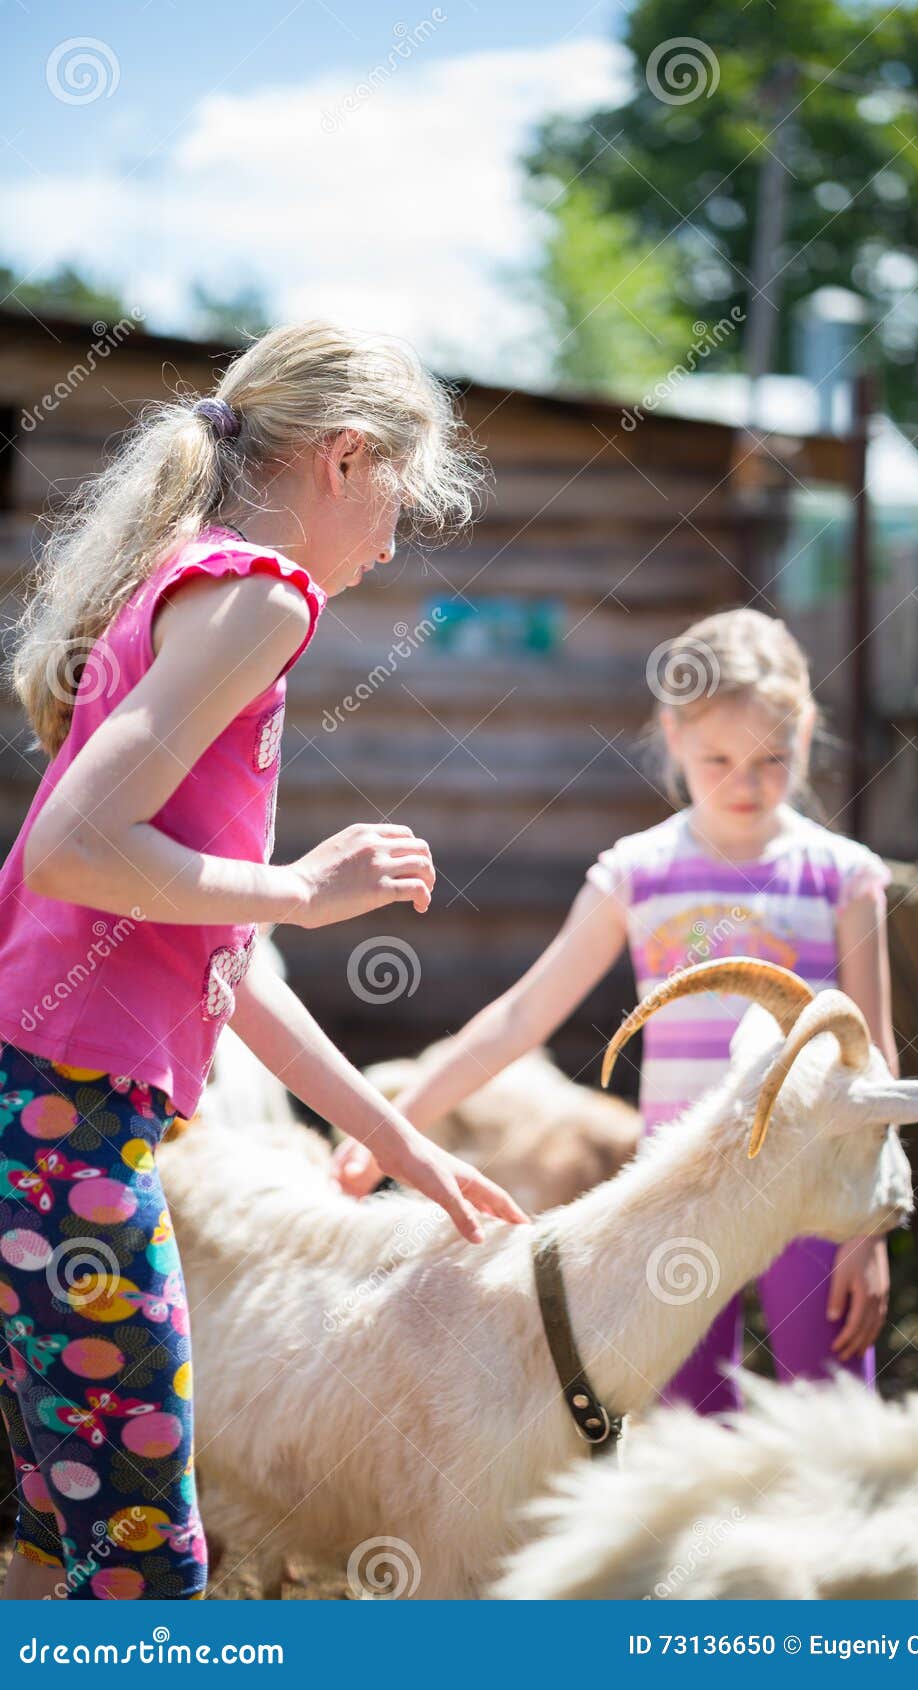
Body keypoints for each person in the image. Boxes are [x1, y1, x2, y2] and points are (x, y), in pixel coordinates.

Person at [0, 321, 528, 1601]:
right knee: (150, 1567)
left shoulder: (183, 582)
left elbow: (221, 970)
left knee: (49, 1536)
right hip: (66, 1128)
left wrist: (406, 1149)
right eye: (398, 495)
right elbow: (74, 848)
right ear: (345, 458)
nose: (393, 540)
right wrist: (301, 889)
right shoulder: (259, 596)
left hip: (42, 1113)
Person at [335, 607, 897, 1412]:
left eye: (772, 758)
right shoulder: (637, 874)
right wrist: (392, 1129)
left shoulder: (843, 878)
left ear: (806, 732)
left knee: (831, 1406)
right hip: (679, 1188)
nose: (747, 782)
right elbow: (520, 1017)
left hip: (812, 1183)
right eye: (718, 758)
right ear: (671, 735)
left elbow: (869, 1054)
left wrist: (868, 1229)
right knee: (684, 1416)